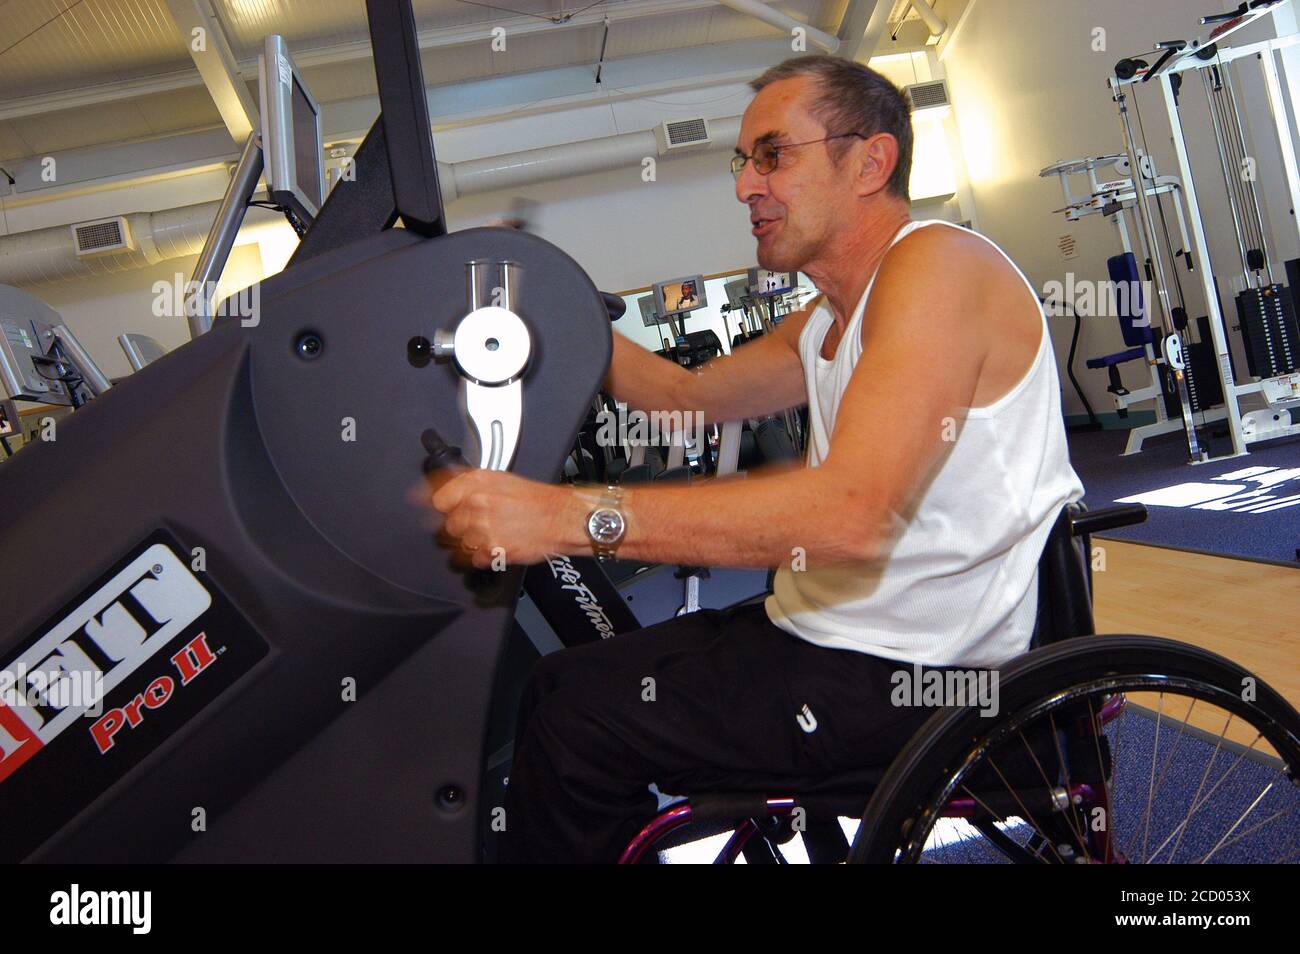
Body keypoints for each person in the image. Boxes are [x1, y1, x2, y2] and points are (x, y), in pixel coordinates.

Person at [427, 55, 1083, 862]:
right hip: (826, 634)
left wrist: (564, 518)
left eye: (774, 155)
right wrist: (554, 305)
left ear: (871, 162)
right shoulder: (828, 317)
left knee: (579, 725)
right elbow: (682, 395)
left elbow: (851, 516)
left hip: (916, 675)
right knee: (565, 685)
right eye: (745, 162)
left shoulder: (938, 266)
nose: (745, 186)